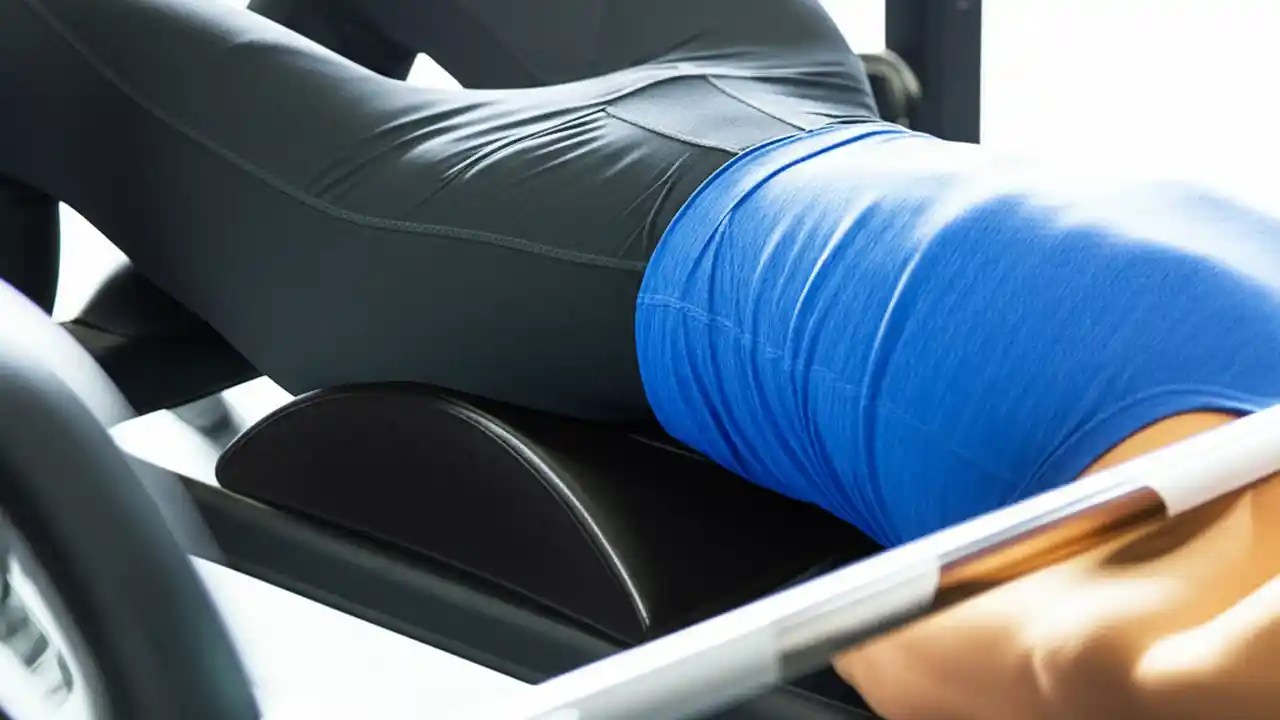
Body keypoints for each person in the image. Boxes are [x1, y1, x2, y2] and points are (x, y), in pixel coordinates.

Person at [2, 0, 1279, 717]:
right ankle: (217, 213)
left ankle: (228, 205)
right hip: (788, 93)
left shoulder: (1214, 559)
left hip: (513, 235)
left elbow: (992, 660)